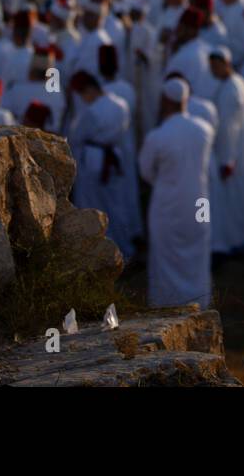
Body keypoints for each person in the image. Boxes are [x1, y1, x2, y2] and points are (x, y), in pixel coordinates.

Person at [137, 78, 215, 309]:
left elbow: (146, 171)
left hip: (168, 203)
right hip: (200, 203)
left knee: (166, 255)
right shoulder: (204, 130)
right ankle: (200, 301)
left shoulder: (158, 136)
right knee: (198, 253)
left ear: (164, 100)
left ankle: (168, 303)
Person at [68, 71, 136, 259]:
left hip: (94, 160)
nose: (83, 99)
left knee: (94, 207)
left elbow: (76, 137)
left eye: (83, 94)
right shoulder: (120, 104)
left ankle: (102, 252)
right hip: (114, 157)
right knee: (116, 204)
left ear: (90, 90)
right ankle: (124, 248)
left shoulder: (92, 111)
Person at [206, 46, 244, 253]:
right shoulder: (238, 82)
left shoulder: (230, 89)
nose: (212, 70)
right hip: (242, 150)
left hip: (232, 153)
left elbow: (229, 127)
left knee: (234, 198)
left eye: (215, 66)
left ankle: (237, 240)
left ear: (225, 64)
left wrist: (226, 160)